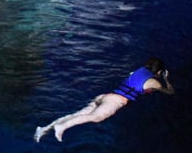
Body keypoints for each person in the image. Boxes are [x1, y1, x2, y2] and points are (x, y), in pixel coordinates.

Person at [33, 57, 174, 143]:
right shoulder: (153, 81)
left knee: (77, 115)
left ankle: (44, 130)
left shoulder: (137, 71)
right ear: (159, 71)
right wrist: (166, 79)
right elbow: (170, 92)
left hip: (104, 96)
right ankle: (61, 127)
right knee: (95, 118)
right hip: (116, 101)